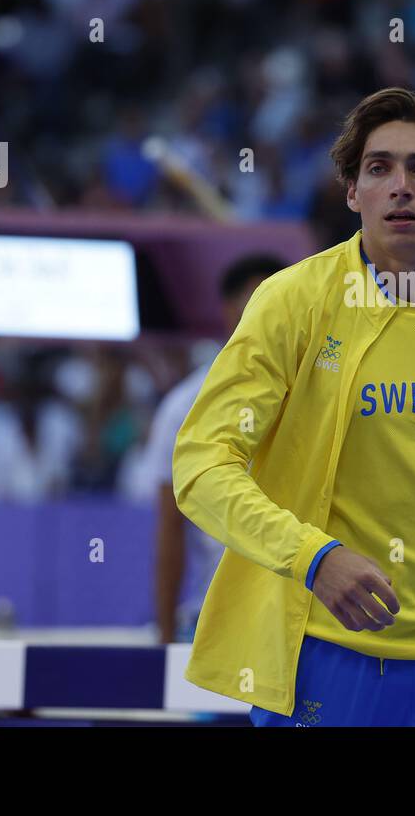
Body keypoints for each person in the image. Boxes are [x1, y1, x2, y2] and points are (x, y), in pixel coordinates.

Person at [173, 87, 415, 726]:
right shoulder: (291, 302)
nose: (399, 186)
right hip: (324, 654)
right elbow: (200, 464)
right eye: (378, 169)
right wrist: (313, 559)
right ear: (352, 193)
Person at [145, 253, 286, 644]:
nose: (270, 315)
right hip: (220, 621)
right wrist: (165, 637)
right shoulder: (184, 406)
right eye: (256, 302)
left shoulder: (321, 394)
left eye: (281, 305)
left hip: (305, 616)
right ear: (228, 311)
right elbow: (171, 528)